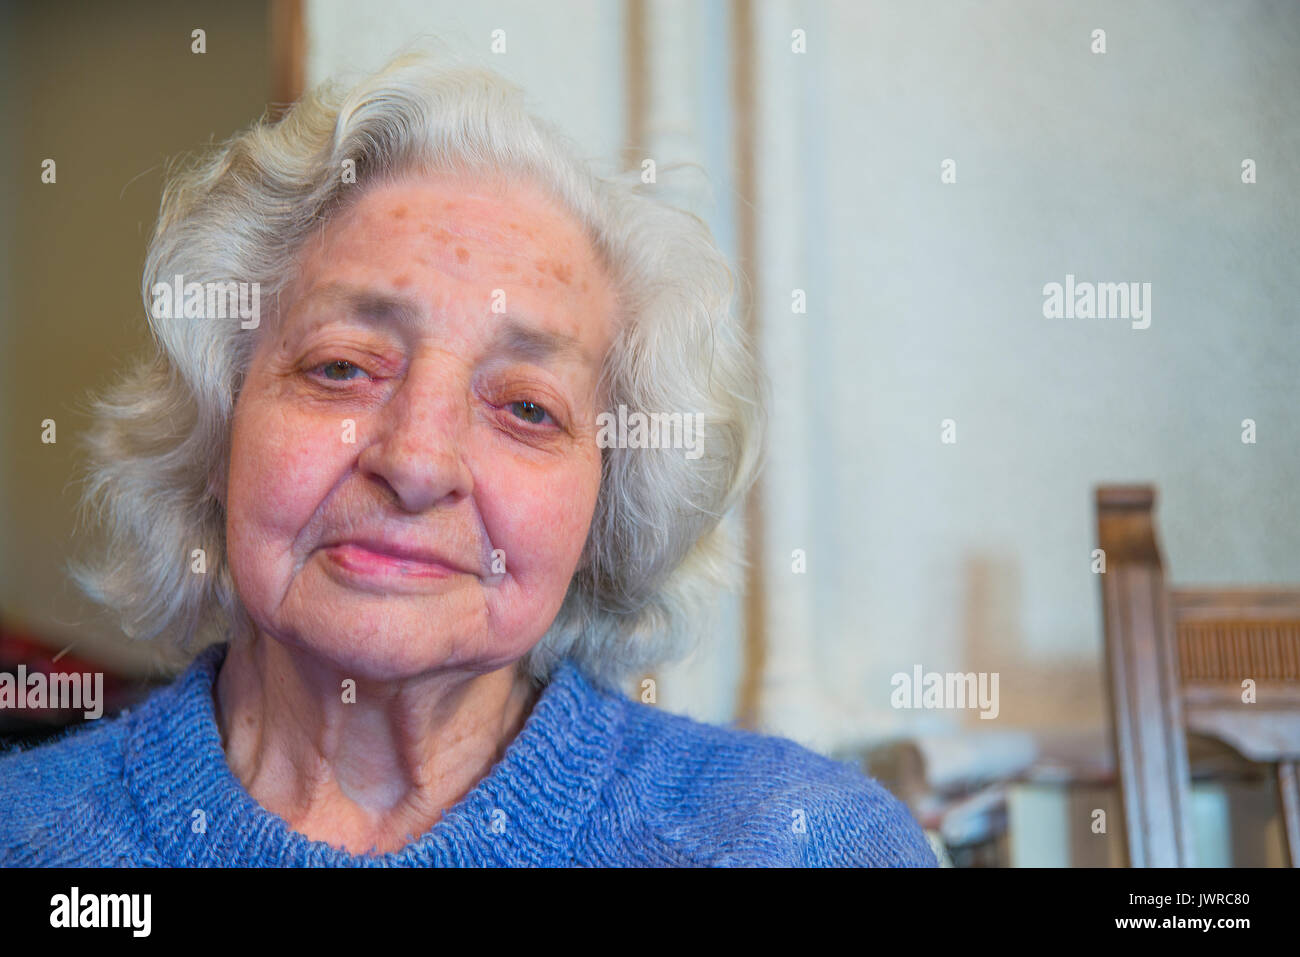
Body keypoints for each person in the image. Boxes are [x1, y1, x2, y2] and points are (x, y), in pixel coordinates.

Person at [0, 52, 937, 867]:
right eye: (341, 367)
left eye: (527, 407)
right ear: (219, 428)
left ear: (607, 507)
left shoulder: (791, 844)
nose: (416, 460)